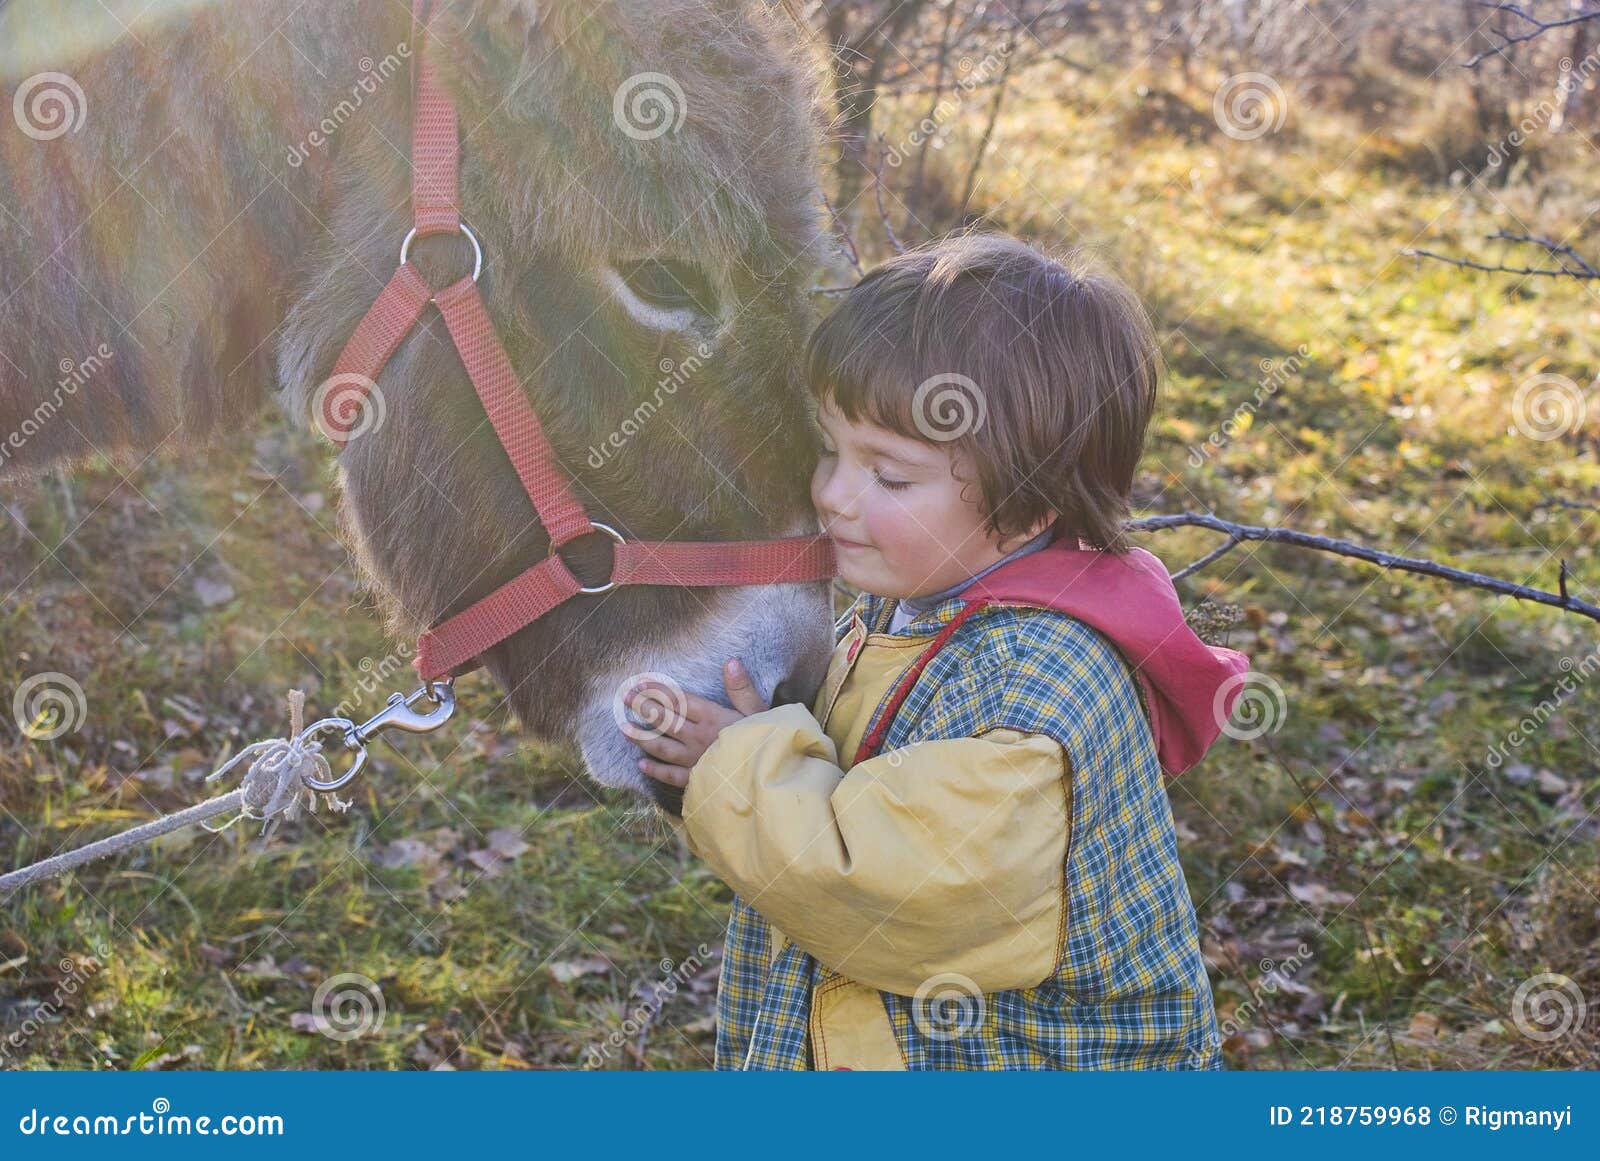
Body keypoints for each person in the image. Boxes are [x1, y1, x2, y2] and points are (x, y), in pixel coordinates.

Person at [620, 232, 1251, 1070]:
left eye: (890, 477)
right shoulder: (915, 607)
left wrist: (738, 763)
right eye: (831, 449)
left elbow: (884, 889)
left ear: (1030, 504)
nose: (834, 497)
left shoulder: (1035, 692)